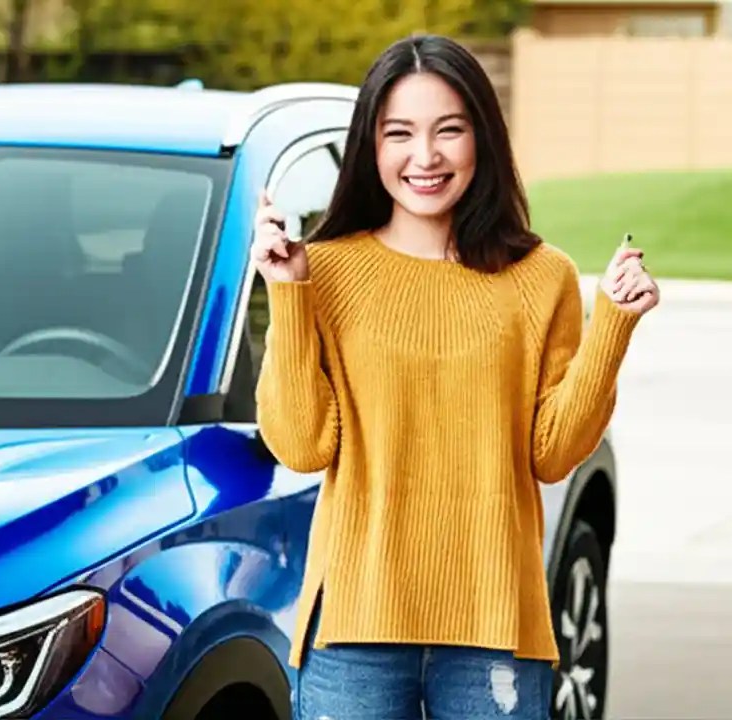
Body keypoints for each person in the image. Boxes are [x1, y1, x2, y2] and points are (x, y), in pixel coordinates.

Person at [250, 34, 659, 720]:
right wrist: (287, 294)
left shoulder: (542, 277)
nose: (425, 157)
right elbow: (301, 446)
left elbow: (552, 455)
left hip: (498, 630)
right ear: (370, 146)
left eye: (450, 130)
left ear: (484, 139)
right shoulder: (323, 271)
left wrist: (612, 325)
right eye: (400, 133)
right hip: (354, 625)